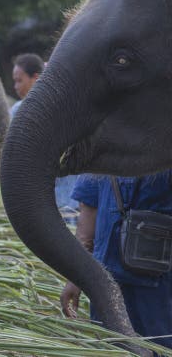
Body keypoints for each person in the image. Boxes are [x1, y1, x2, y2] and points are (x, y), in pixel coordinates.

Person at [61, 172, 172, 349]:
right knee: (112, 346)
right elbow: (89, 209)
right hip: (104, 281)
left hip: (159, 286)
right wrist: (75, 276)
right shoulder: (97, 156)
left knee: (157, 346)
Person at [10, 52, 78, 222]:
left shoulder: (68, 108)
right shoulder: (17, 111)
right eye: (14, 81)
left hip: (68, 200)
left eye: (19, 80)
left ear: (36, 78)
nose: (16, 87)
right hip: (37, 201)